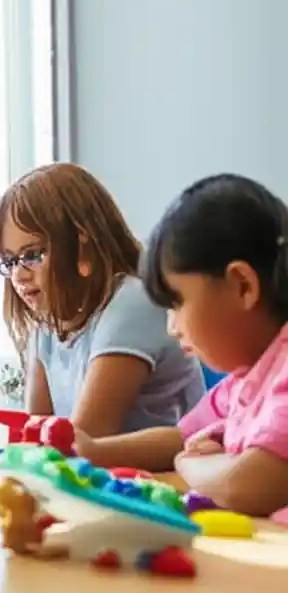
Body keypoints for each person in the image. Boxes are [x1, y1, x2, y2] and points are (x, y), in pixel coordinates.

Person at [75, 174, 288, 517]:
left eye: (176, 303)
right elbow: (181, 435)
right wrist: (94, 450)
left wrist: (189, 465)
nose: (171, 327)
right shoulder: (242, 381)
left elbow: (248, 485)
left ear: (242, 286)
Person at [0, 163, 204, 435]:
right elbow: (36, 434)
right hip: (103, 475)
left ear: (83, 246)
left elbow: (86, 437)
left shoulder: (133, 302)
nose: (19, 276)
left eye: (33, 255)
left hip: (168, 477)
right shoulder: (47, 323)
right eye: (10, 261)